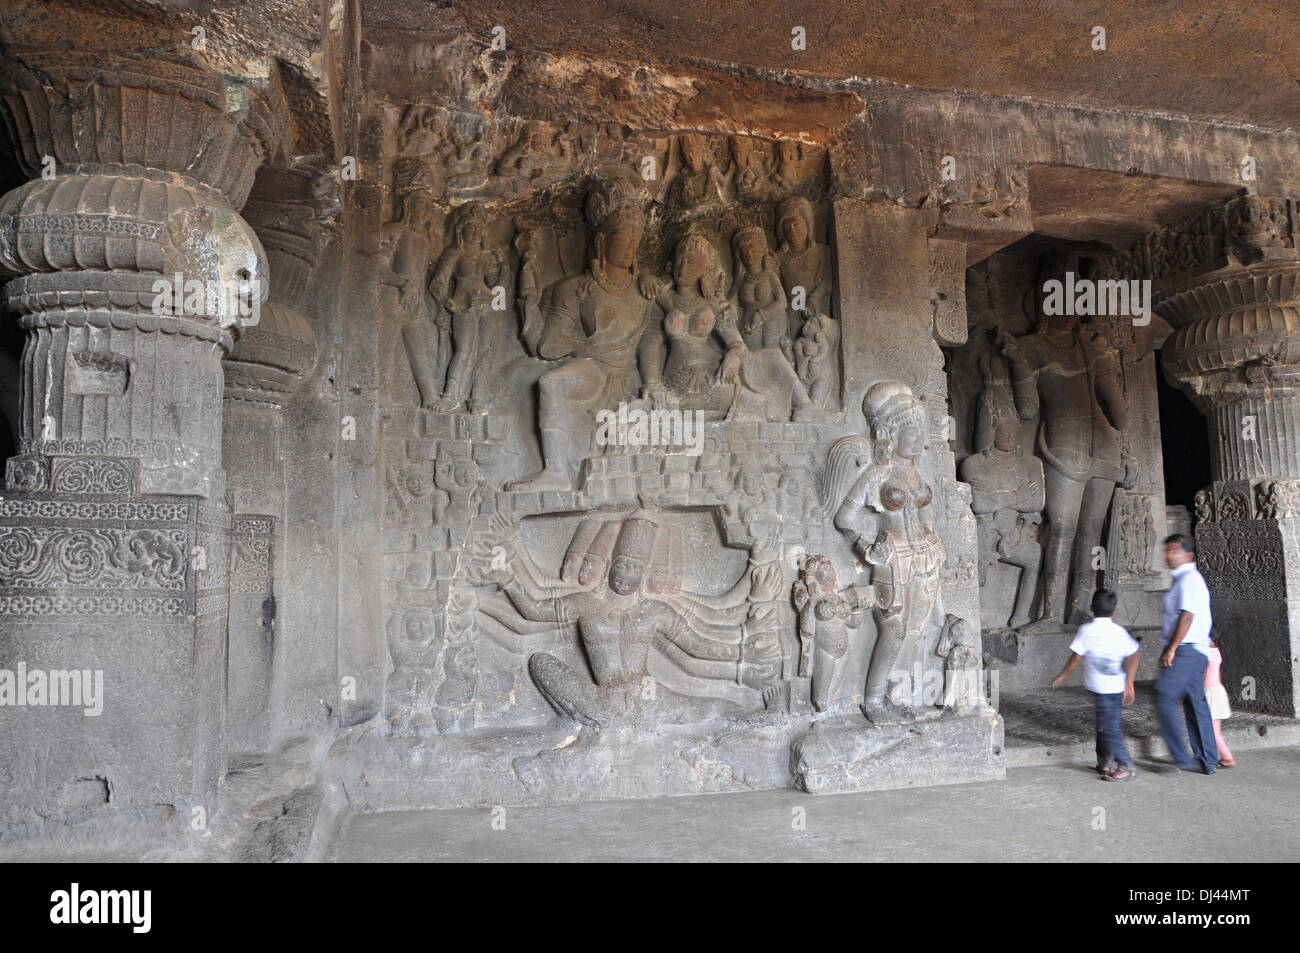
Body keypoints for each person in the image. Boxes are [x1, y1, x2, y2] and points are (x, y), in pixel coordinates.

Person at [1051, 588, 1140, 781]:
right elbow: (1134, 653)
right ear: (1114, 612)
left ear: (1091, 608)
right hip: (1117, 687)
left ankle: (1126, 765)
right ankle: (1104, 762)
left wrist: (1062, 676)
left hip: (1102, 688)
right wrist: (1130, 681)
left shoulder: (1086, 631)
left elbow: (1075, 657)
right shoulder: (1119, 631)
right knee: (1105, 726)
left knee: (1108, 728)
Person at [1157, 534, 1218, 774]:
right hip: (1193, 649)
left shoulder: (1189, 579)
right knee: (1195, 704)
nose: (1168, 556)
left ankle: (1182, 757)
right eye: (1167, 551)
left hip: (1186, 650)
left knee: (1164, 696)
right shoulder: (1185, 579)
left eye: (1173, 551)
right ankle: (1207, 759)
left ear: (1188, 554)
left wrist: (1172, 648)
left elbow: (1187, 615)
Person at [1205, 634, 1235, 767]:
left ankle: (1227, 756)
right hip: (1217, 690)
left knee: (1212, 730)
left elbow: (1203, 675)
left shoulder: (1206, 653)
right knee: (1214, 728)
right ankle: (1225, 756)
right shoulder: (1216, 652)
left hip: (1209, 692)